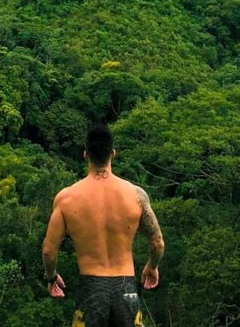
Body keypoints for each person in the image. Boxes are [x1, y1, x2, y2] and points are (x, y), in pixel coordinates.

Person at [42, 123, 165, 327]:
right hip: (126, 288)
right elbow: (157, 243)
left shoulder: (67, 199)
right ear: (113, 153)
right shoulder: (136, 196)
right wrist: (152, 266)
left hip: (91, 289)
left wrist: (51, 277)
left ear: (85, 155)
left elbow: (48, 251)